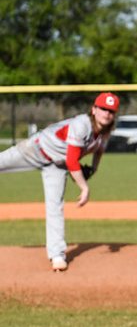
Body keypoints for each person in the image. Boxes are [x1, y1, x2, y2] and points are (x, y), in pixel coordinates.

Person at [0, 92, 119, 271]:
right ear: (94, 109)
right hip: (37, 149)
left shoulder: (105, 132)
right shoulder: (82, 125)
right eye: (103, 109)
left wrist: (93, 168)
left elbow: (99, 151)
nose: (106, 114)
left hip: (57, 166)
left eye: (111, 111)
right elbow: (72, 161)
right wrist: (84, 188)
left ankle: (57, 255)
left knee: (55, 206)